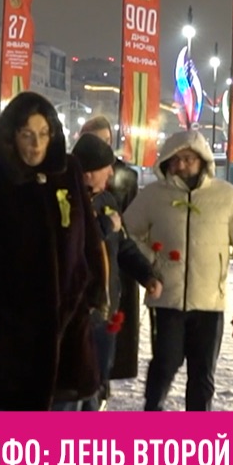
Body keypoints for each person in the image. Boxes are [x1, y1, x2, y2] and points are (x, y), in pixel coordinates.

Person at [0, 91, 107, 465]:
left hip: (67, 309)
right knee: (17, 405)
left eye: (43, 133)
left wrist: (94, 288)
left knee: (65, 398)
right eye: (26, 134)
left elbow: (89, 235)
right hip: (13, 313)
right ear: (11, 136)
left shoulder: (68, 171)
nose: (36, 144)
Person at [122, 129, 233, 412]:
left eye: (188, 159)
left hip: (209, 301)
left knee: (202, 373)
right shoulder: (152, 196)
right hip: (166, 299)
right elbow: (126, 233)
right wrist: (152, 259)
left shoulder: (228, 197)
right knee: (164, 364)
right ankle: (152, 415)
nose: (182, 165)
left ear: (203, 160)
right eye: (175, 160)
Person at [71, 133, 162, 410]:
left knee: (98, 383)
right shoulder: (65, 200)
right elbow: (72, 244)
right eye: (105, 167)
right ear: (88, 172)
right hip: (75, 313)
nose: (112, 172)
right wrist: (104, 226)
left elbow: (123, 246)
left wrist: (147, 275)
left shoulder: (107, 200)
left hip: (105, 310)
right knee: (72, 388)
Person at [78, 115, 143, 390]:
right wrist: (106, 225)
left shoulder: (123, 181)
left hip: (111, 280)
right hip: (80, 298)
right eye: (97, 141)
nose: (104, 146)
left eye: (107, 140)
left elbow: (125, 236)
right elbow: (76, 238)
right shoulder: (67, 191)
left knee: (103, 366)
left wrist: (147, 274)